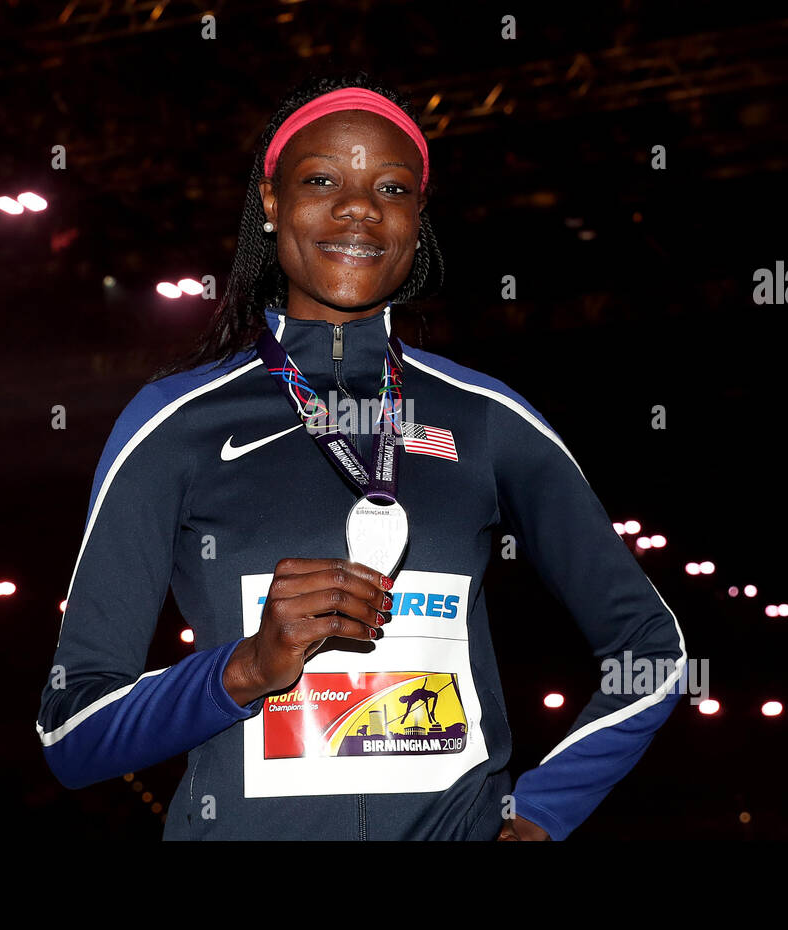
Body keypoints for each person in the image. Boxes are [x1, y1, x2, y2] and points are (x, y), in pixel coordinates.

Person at [36, 71, 687, 841]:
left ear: (417, 217)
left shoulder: (487, 419)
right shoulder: (173, 423)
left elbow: (654, 650)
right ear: (272, 203)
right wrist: (243, 669)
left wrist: (542, 813)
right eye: (322, 180)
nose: (359, 208)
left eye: (392, 187)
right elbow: (71, 736)